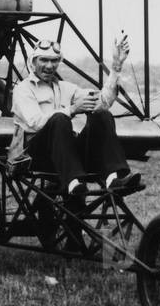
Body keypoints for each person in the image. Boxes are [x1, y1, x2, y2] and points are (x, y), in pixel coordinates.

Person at [8, 33, 142, 197]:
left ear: (59, 63)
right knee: (59, 118)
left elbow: (102, 101)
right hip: (35, 155)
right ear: (33, 62)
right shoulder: (23, 89)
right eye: (44, 60)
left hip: (65, 153)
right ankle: (73, 184)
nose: (49, 66)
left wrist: (116, 66)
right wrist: (71, 109)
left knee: (102, 115)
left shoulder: (66, 88)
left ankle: (113, 179)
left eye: (54, 60)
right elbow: (35, 122)